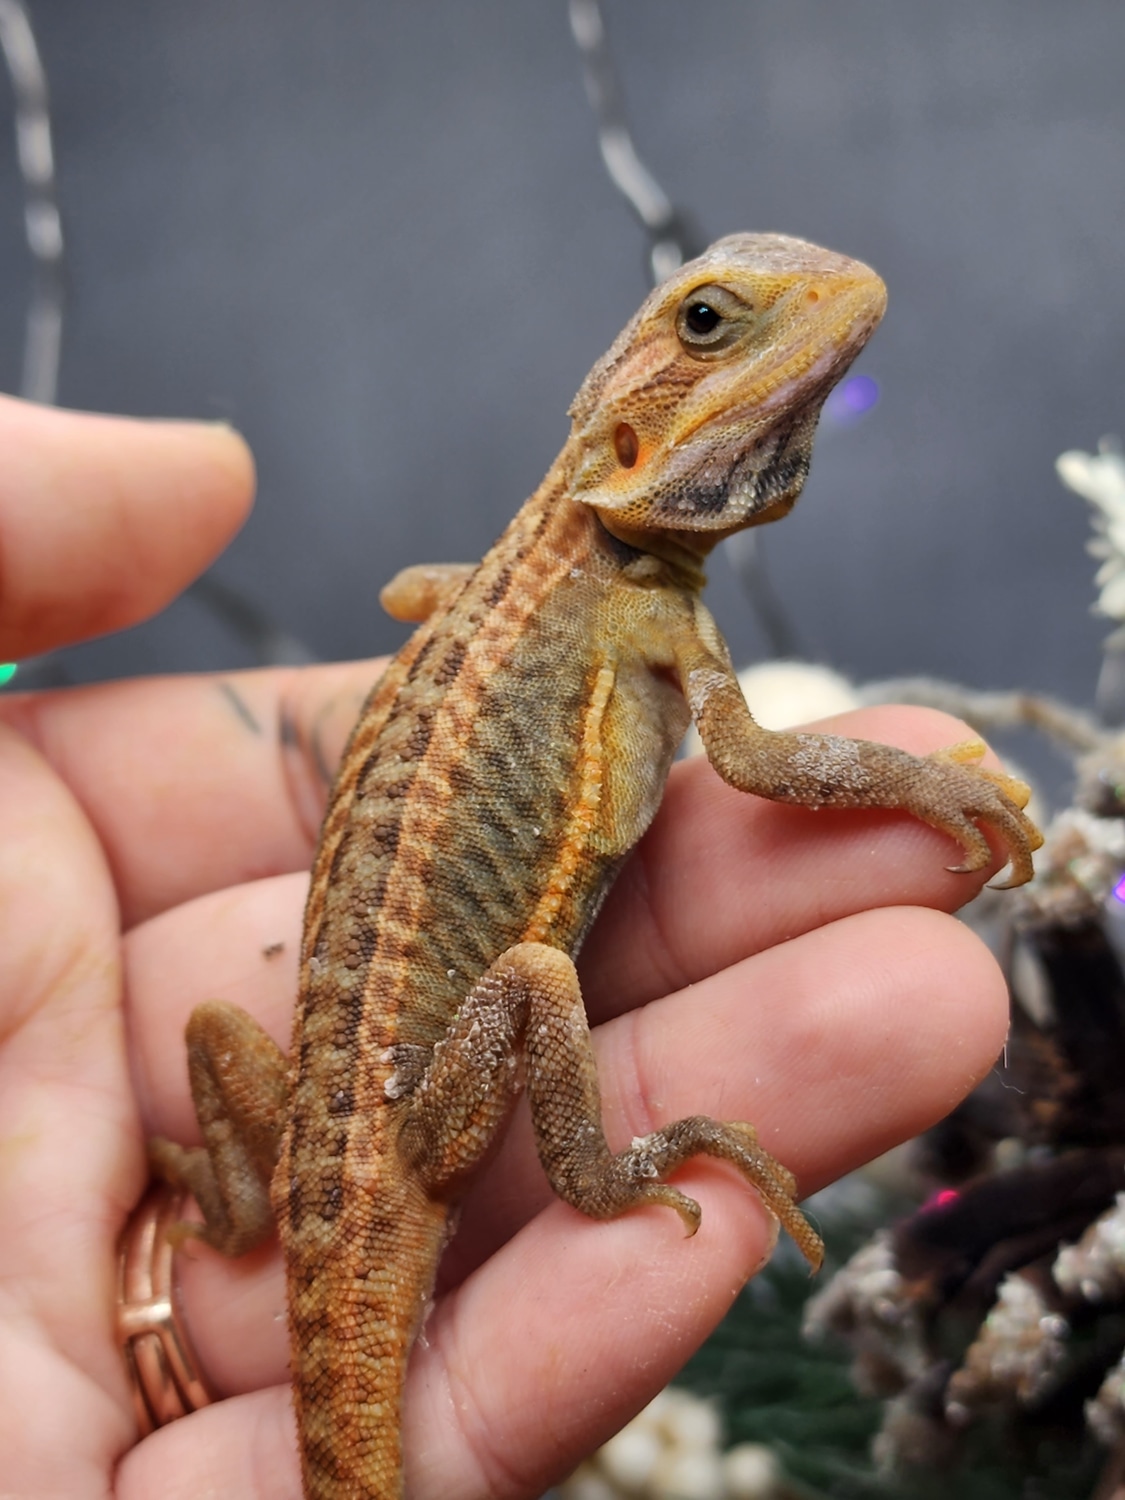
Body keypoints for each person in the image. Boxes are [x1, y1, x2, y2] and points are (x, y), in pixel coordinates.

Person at [0, 394, 1012, 1499]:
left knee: (216, 1030)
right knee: (527, 972)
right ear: (628, 442)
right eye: (712, 329)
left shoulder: (604, 591)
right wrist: (924, 780)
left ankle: (237, 1206)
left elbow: (405, 594)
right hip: (405, 1141)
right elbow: (760, 765)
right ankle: (591, 1172)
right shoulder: (646, 609)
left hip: (325, 1142)